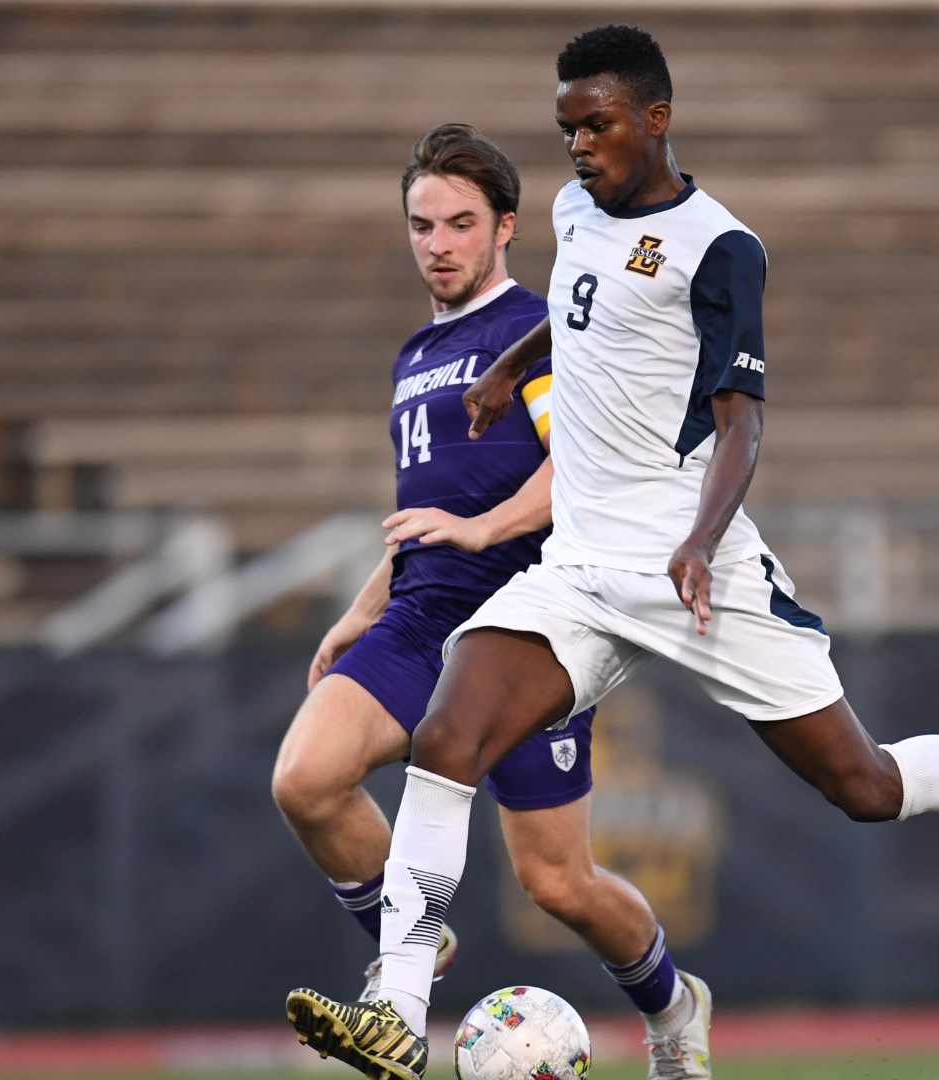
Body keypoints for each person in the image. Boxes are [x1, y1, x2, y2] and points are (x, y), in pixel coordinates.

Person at [286, 27, 939, 1080]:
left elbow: (743, 421)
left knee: (864, 785)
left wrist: (702, 541)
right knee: (447, 737)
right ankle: (397, 1010)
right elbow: (579, 318)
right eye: (568, 127)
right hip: (578, 574)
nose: (580, 146)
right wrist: (499, 372)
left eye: (598, 124)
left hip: (693, 569)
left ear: (655, 118)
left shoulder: (721, 246)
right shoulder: (574, 212)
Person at [273, 122, 709, 1077]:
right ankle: (412, 946)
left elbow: (576, 472)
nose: (438, 242)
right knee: (305, 780)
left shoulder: (540, 333)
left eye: (459, 223)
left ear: (504, 226)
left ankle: (675, 1008)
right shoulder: (408, 359)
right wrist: (358, 609)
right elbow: (427, 513)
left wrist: (481, 531)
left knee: (557, 879)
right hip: (419, 620)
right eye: (422, 224)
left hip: (524, 634)